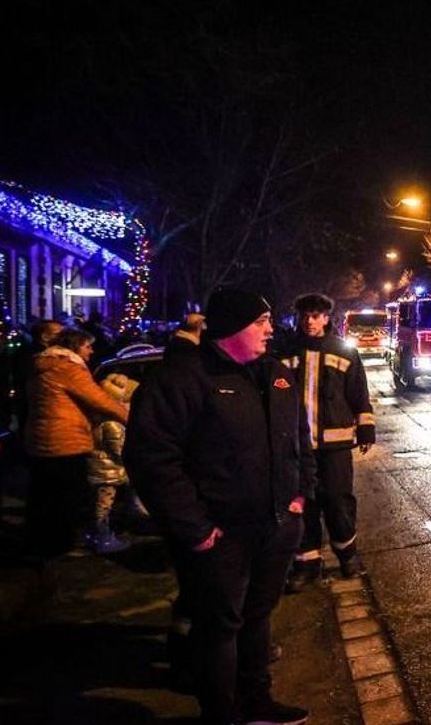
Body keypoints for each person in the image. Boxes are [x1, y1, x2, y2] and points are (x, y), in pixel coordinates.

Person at [125, 287, 314, 725]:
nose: (271, 329)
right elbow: (152, 458)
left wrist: (301, 495)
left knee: (258, 617)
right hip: (220, 535)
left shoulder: (276, 374)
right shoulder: (184, 378)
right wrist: (195, 527)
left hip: (276, 525)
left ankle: (257, 700)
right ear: (230, 327)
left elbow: (299, 441)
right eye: (260, 322)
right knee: (218, 628)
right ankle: (221, 713)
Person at [280, 293, 374, 592]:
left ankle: (347, 555)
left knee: (337, 500)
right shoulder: (285, 351)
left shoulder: (343, 351)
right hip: (296, 447)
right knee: (302, 505)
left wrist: (366, 428)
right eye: (305, 315)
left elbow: (358, 391)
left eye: (316, 315)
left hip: (335, 447)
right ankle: (307, 563)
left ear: (326, 318)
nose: (310, 321)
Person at [24, 328, 129, 559]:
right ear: (75, 346)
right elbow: (98, 398)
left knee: (43, 495)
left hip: (41, 438)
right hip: (64, 440)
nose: (91, 351)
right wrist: (129, 417)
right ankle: (59, 545)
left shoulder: (43, 365)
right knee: (65, 497)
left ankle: (39, 543)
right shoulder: (66, 367)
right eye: (87, 346)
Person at [84, 373, 140, 554]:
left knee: (100, 504)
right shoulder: (113, 424)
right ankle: (102, 537)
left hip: (102, 470)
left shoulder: (100, 420)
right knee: (103, 506)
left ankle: (96, 534)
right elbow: (120, 450)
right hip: (107, 473)